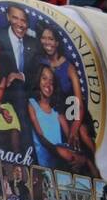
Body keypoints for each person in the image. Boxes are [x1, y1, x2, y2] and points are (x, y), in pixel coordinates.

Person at [34, 24, 96, 157]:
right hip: (56, 112)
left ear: (56, 43)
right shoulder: (40, 62)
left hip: (74, 111)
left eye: (50, 39)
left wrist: (75, 127)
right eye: (44, 38)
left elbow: (78, 102)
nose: (47, 42)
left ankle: (100, 166)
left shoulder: (69, 67)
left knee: (82, 133)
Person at [27, 64, 99, 176]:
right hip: (48, 155)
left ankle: (94, 174)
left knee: (84, 160)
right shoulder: (32, 104)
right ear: (38, 80)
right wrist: (59, 151)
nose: (48, 84)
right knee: (68, 154)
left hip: (62, 155)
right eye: (44, 78)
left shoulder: (56, 110)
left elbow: (69, 136)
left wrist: (76, 155)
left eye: (52, 81)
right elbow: (41, 137)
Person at [0, 5, 41, 152]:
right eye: (15, 18)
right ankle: (27, 152)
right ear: (8, 18)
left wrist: (21, 76)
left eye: (23, 20)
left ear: (27, 24)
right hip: (3, 90)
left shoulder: (33, 43)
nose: (20, 24)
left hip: (28, 90)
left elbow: (38, 72)